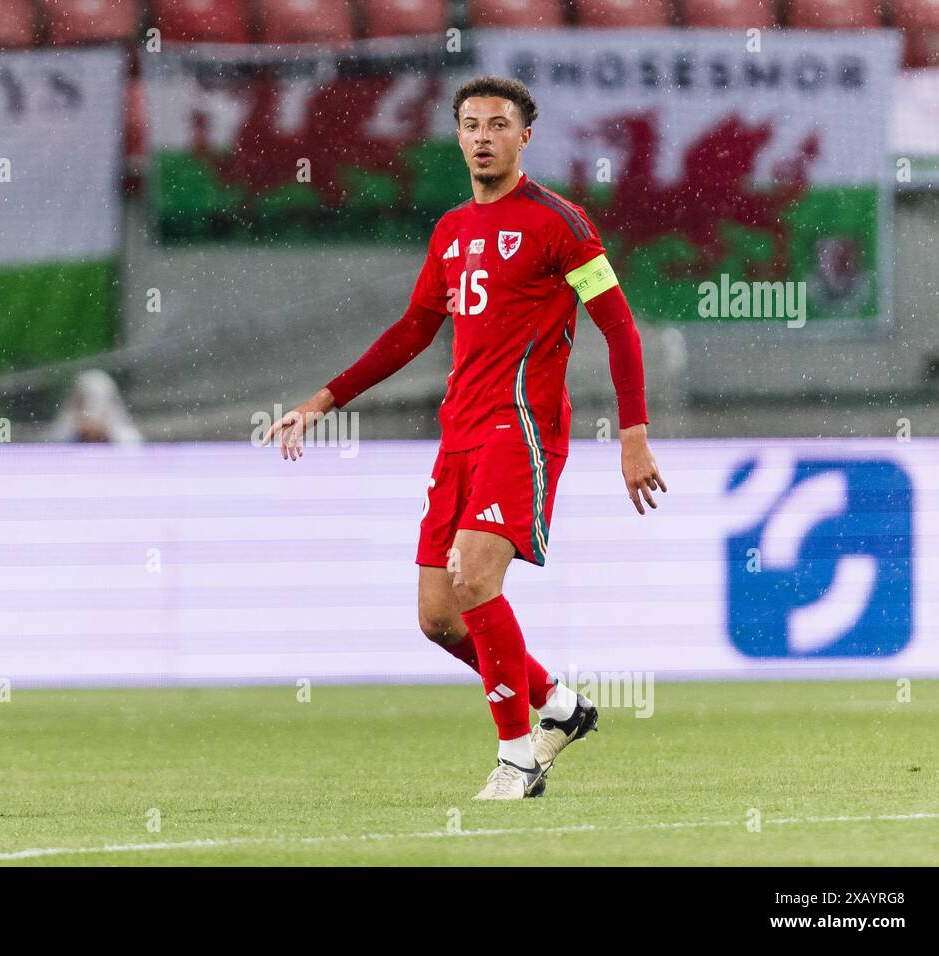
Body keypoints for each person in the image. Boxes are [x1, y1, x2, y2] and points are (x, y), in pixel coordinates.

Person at [264, 76, 666, 800]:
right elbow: (414, 330)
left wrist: (632, 434)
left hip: (524, 431)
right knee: (438, 618)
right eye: (471, 125)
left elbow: (619, 325)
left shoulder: (560, 223)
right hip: (459, 436)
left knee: (475, 579)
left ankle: (518, 758)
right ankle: (559, 707)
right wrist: (323, 400)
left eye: (498, 125)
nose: (483, 136)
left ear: (524, 138)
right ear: (457, 136)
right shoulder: (451, 230)